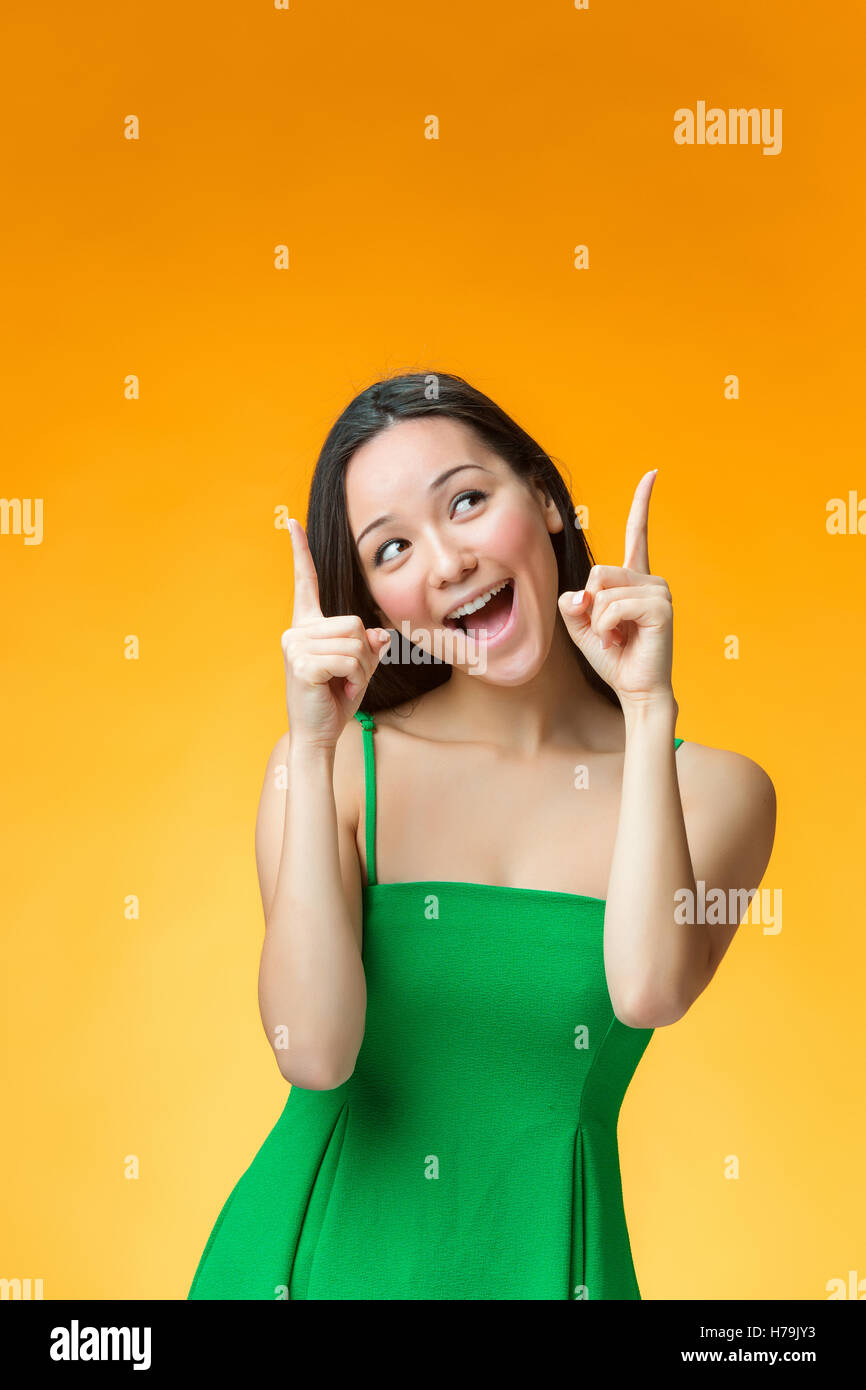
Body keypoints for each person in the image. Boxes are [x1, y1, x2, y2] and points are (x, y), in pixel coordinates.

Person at [187, 371, 776, 1300]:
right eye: (392, 549)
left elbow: (649, 990)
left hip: (547, 1265)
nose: (447, 562)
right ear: (376, 602)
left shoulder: (714, 790)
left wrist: (646, 708)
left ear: (544, 499)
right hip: (306, 1263)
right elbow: (314, 1054)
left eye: (466, 501)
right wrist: (312, 743)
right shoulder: (335, 768)